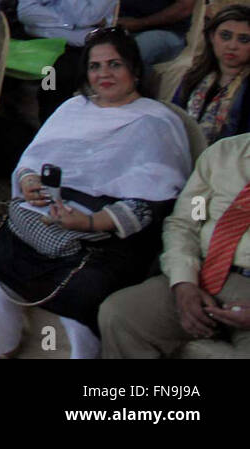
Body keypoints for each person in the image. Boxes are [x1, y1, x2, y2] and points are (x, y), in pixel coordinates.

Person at [0, 28, 192, 359]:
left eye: (114, 64)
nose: (103, 74)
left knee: (83, 292)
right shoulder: (74, 107)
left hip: (107, 237)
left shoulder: (157, 121)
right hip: (48, 213)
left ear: (134, 69)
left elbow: (153, 202)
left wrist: (89, 223)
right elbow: (34, 159)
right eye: (95, 66)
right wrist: (30, 181)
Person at [100, 130, 250, 359]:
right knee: (120, 313)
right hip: (205, 271)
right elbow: (188, 222)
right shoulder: (224, 153)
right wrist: (184, 283)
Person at [172, 5, 250, 143]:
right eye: (225, 36)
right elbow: (173, 119)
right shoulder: (194, 77)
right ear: (212, 37)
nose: (232, 46)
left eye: (243, 39)